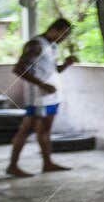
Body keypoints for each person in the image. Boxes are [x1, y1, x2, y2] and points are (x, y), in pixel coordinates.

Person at [7, 18, 78, 176]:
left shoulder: (52, 46)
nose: (64, 39)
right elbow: (18, 69)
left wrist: (66, 64)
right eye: (63, 35)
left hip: (51, 96)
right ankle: (12, 165)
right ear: (54, 30)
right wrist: (42, 85)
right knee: (26, 130)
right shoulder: (35, 45)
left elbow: (52, 70)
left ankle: (48, 163)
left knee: (45, 130)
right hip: (38, 97)